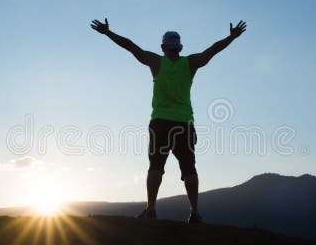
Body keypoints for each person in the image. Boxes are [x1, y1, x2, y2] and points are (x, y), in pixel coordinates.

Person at [90, 18, 248, 224]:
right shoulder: (190, 63)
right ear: (180, 47)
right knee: (189, 167)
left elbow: (131, 46)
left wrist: (108, 33)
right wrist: (231, 37)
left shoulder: (156, 62)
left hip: (160, 123)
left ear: (163, 47)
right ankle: (194, 212)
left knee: (155, 165)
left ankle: (151, 209)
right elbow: (213, 50)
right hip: (184, 124)